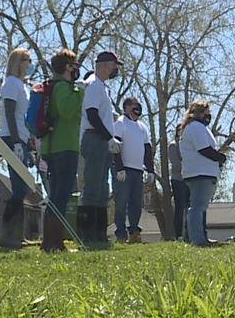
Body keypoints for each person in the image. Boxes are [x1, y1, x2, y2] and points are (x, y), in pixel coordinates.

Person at [37, 49, 85, 251]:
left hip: (52, 146)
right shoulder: (64, 87)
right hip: (64, 146)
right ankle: (56, 243)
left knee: (55, 196)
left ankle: (48, 242)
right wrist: (80, 91)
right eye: (74, 66)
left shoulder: (53, 86)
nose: (77, 70)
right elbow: (66, 110)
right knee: (62, 195)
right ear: (67, 67)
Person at [77, 50, 123, 247]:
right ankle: (86, 234)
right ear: (105, 65)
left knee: (102, 189)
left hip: (102, 141)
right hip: (94, 138)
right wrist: (108, 137)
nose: (115, 69)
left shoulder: (102, 87)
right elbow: (92, 115)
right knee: (92, 188)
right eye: (113, 65)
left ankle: (99, 233)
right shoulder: (94, 84)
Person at [0, 47, 36, 249]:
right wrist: (17, 141)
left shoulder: (21, 85)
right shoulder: (11, 84)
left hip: (20, 138)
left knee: (23, 185)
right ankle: (7, 234)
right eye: (27, 60)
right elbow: (10, 114)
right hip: (11, 138)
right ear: (18, 62)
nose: (30, 64)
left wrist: (28, 143)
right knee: (19, 186)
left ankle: (18, 235)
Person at [179, 100, 224, 246]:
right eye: (206, 113)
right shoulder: (196, 127)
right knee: (197, 208)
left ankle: (200, 236)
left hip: (200, 172)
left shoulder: (195, 127)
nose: (208, 116)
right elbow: (203, 149)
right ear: (198, 113)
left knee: (199, 207)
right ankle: (197, 239)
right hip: (200, 172)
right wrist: (220, 157)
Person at [112, 97, 155, 243]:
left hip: (138, 171)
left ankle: (134, 231)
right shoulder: (120, 123)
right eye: (135, 104)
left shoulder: (142, 127)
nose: (138, 107)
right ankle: (121, 234)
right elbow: (115, 147)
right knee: (121, 202)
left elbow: (147, 149)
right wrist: (119, 168)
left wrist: (150, 170)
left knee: (136, 204)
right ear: (127, 107)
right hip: (123, 170)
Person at [168, 129, 189, 241]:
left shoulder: (188, 145)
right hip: (178, 180)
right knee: (179, 208)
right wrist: (188, 168)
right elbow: (175, 163)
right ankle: (178, 235)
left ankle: (189, 234)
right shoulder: (173, 145)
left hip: (189, 180)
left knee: (189, 208)